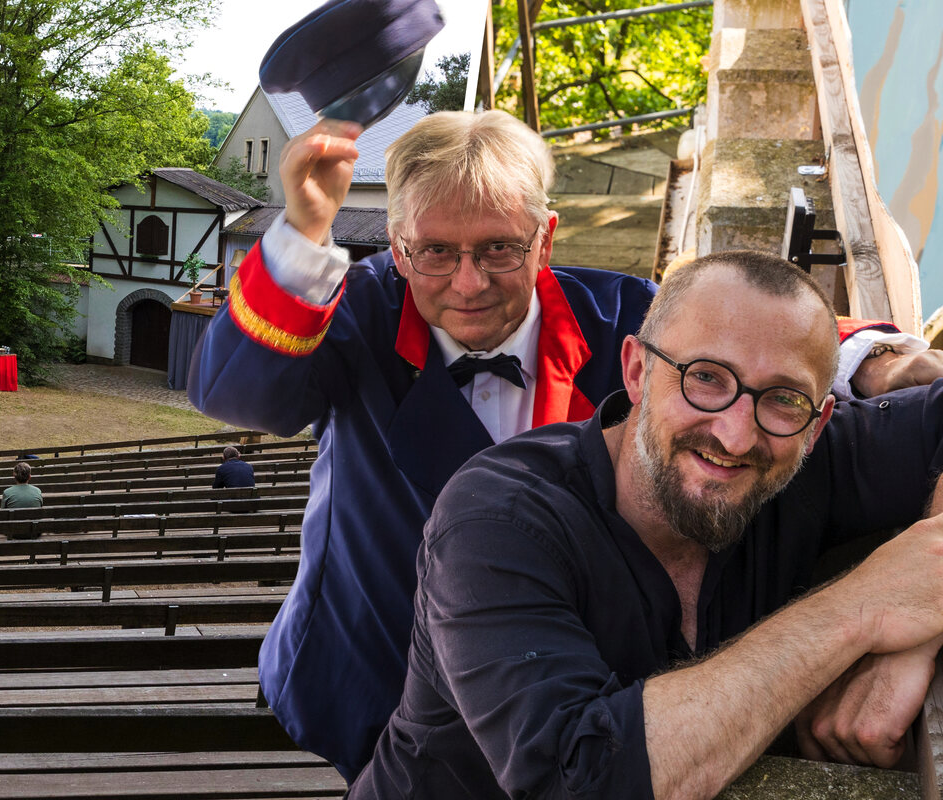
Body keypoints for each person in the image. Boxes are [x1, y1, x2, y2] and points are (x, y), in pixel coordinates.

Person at [188, 110, 940, 779]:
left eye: (500, 250)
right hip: (373, 662)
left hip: (556, 664)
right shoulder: (359, 308)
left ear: (546, 236)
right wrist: (304, 232)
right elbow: (235, 394)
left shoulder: (620, 311)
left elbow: (753, 341)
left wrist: (875, 359)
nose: (469, 282)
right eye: (436, 252)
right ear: (396, 244)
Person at [350, 250, 943, 799]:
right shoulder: (494, 521)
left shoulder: (806, 457)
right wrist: (861, 612)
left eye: (784, 398)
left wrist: (914, 641)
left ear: (818, 423)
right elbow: (583, 779)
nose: (736, 435)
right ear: (636, 372)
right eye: (705, 377)